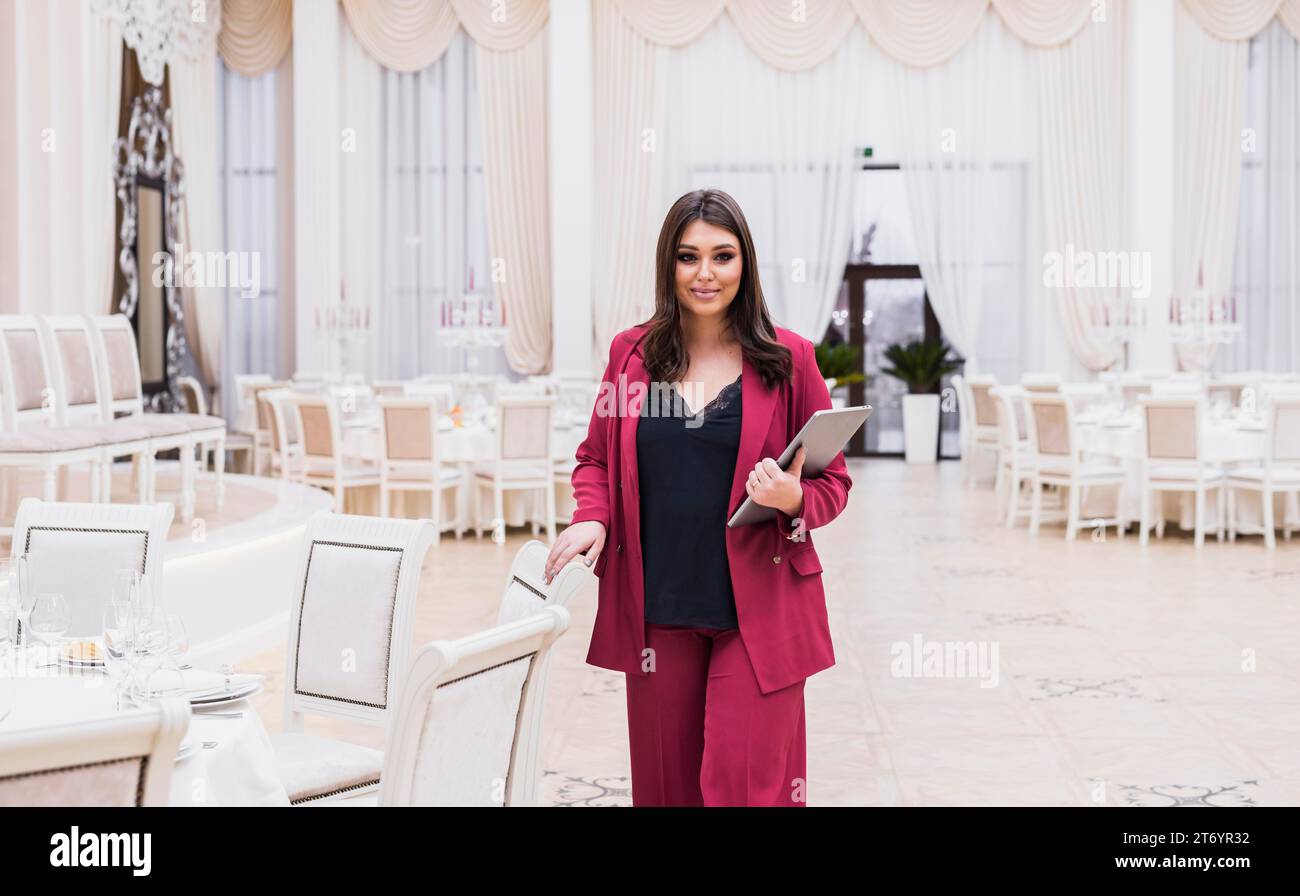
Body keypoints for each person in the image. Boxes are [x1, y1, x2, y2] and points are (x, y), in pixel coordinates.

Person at [544, 188, 852, 806]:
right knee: (666, 790)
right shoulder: (632, 356)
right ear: (669, 265)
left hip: (757, 613)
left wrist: (793, 496)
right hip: (659, 610)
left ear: (746, 264)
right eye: (689, 257)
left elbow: (832, 483)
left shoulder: (788, 360)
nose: (705, 274)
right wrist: (593, 517)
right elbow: (597, 457)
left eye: (723, 256)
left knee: (740, 786)